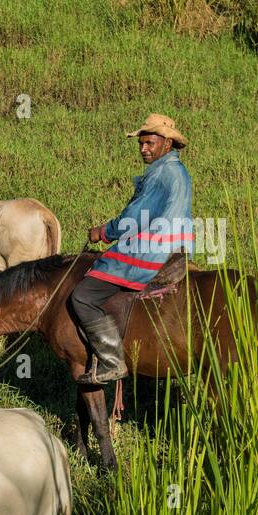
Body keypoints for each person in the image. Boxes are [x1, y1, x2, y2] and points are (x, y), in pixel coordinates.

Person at [70, 113, 193, 385]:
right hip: (176, 247)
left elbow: (134, 218)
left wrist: (102, 232)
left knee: (82, 294)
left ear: (167, 144)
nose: (143, 149)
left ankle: (112, 361)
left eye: (149, 143)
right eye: (141, 144)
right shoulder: (176, 171)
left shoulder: (163, 173)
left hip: (153, 250)